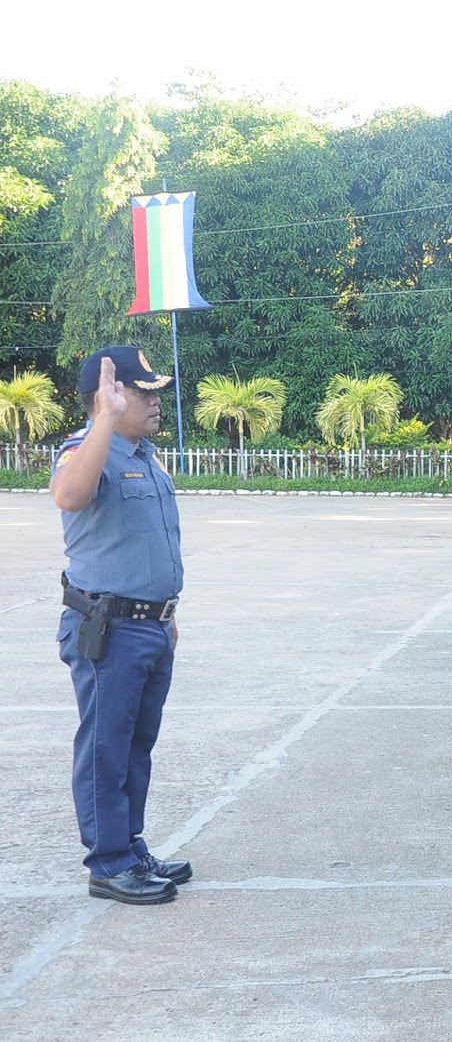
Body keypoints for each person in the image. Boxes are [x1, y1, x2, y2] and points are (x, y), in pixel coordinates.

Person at [51, 346, 190, 905]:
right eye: (143, 391)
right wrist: (103, 423)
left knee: (136, 746)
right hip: (108, 629)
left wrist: (167, 614)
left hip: (150, 627)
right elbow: (68, 495)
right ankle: (108, 863)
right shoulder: (85, 451)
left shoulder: (146, 455)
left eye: (156, 390)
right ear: (105, 396)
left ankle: (130, 848)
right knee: (106, 747)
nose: (156, 400)